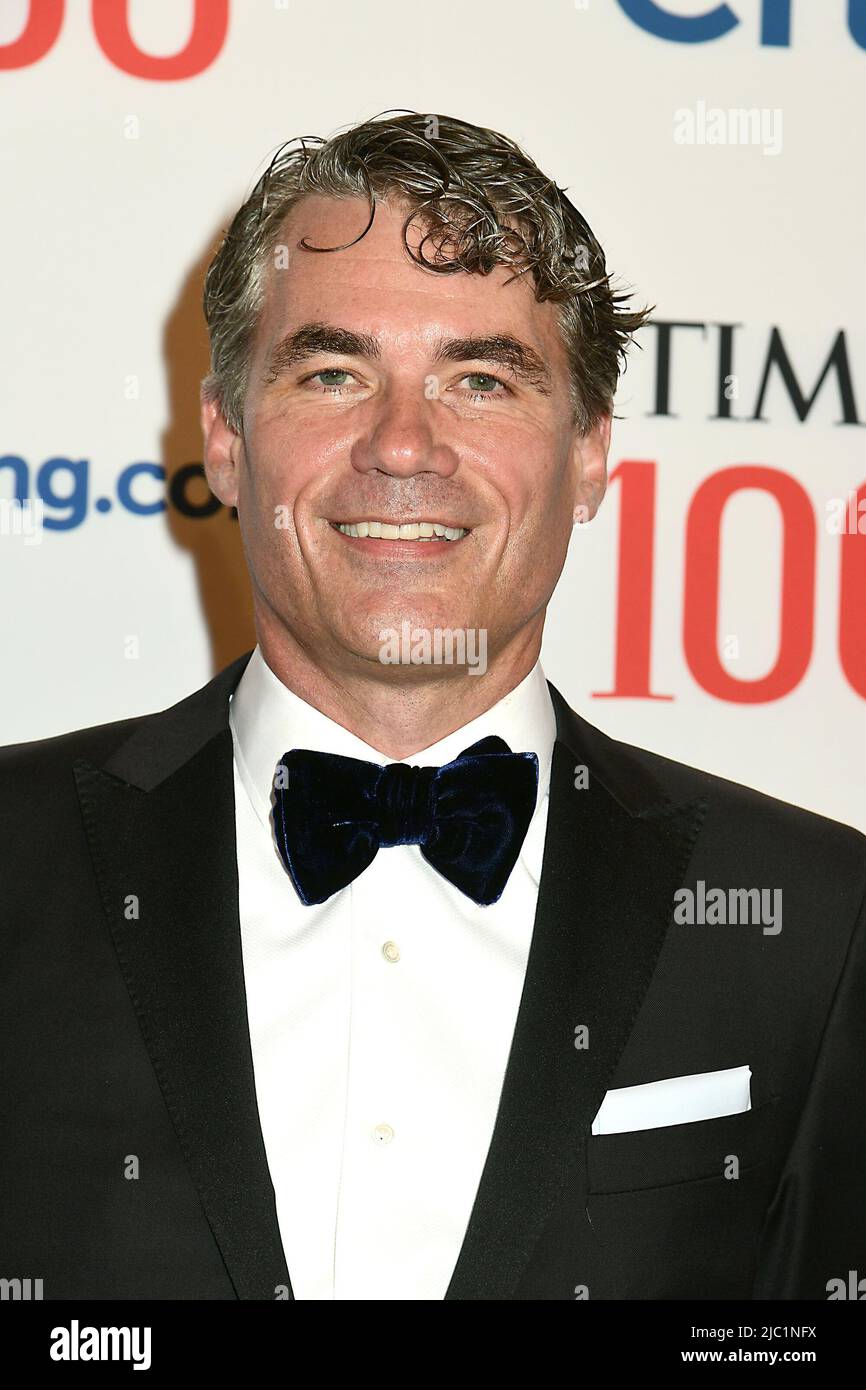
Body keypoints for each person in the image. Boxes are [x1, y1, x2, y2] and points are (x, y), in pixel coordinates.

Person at [1, 112, 864, 1301]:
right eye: (332, 372)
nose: (402, 446)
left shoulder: (814, 928)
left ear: (587, 455)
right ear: (228, 440)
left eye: (479, 379)